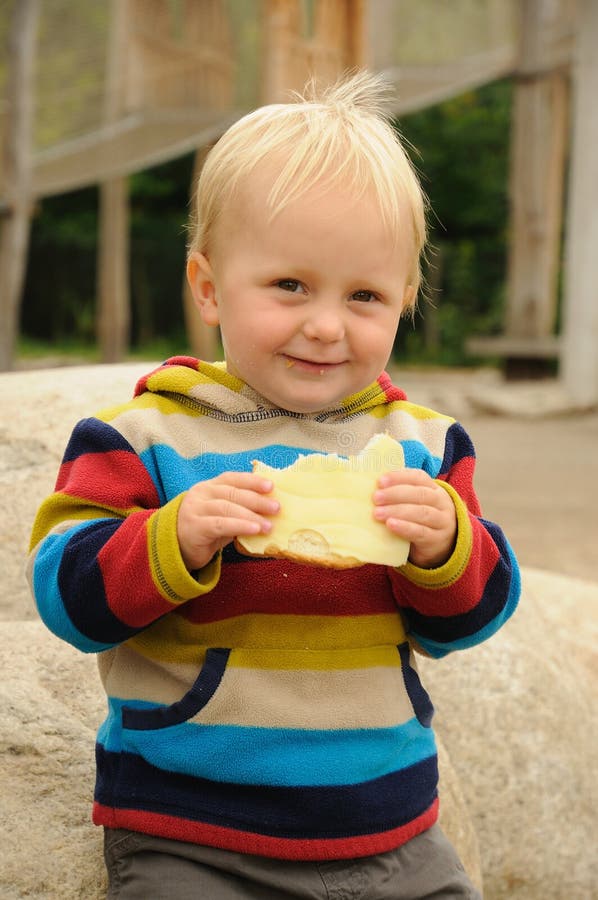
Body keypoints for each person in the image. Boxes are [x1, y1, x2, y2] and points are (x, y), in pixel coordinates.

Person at [28, 71, 520, 899]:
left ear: (404, 299)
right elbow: (65, 597)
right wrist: (169, 539)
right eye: (289, 285)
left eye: (364, 295)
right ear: (210, 286)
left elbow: (465, 622)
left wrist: (445, 546)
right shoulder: (145, 435)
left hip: (389, 829)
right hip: (194, 832)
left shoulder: (424, 447)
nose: (326, 325)